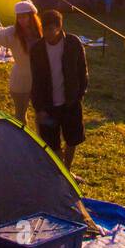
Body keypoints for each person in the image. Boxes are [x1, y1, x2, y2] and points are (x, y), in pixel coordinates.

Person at [29, 9, 88, 171]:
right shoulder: (37, 49)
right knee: (51, 142)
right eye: (44, 29)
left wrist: (79, 95)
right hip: (48, 105)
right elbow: (36, 80)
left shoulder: (73, 43)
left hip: (70, 102)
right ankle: (60, 171)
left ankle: (67, 170)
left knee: (72, 139)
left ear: (59, 27)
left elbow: (82, 71)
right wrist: (39, 108)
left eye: (50, 29)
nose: (47, 33)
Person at [0, 0, 40, 123]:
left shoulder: (40, 32)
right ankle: (21, 135)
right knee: (20, 116)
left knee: (41, 114)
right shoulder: (13, 33)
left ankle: (41, 135)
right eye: (19, 17)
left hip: (39, 79)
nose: (21, 20)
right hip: (20, 79)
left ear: (31, 16)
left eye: (24, 17)